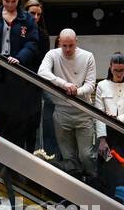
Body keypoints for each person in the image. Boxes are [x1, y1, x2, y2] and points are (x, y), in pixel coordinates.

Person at [0, 0, 40, 152]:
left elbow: (32, 42)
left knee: (17, 114)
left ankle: (17, 150)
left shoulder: (27, 19)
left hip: (17, 70)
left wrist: (19, 58)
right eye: (7, 1)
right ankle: (1, 149)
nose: (10, 5)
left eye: (13, 1)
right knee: (0, 113)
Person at [38, 30, 99, 183]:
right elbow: (42, 72)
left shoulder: (87, 56)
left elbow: (91, 84)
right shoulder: (52, 54)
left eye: (71, 45)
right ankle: (75, 188)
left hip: (83, 110)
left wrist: (76, 91)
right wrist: (64, 85)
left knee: (86, 155)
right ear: (59, 43)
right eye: (64, 45)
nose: (67, 49)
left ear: (76, 42)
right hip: (61, 111)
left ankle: (93, 183)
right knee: (69, 157)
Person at [94, 52, 124, 205]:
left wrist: (116, 119)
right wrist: (102, 139)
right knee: (106, 175)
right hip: (108, 135)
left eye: (122, 70)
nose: (119, 73)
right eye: (116, 70)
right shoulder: (102, 85)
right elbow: (98, 114)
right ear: (110, 68)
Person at [26, 0, 56, 159]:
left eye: (38, 14)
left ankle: (41, 152)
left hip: (37, 80)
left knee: (38, 118)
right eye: (32, 13)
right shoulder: (20, 29)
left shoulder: (42, 34)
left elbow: (44, 61)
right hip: (20, 79)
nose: (35, 17)